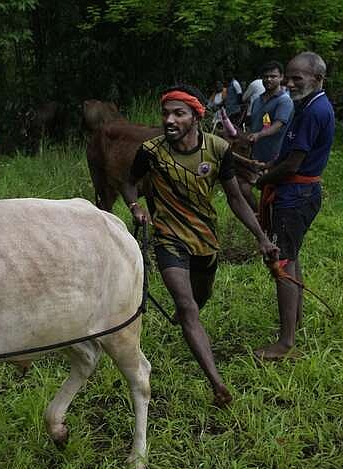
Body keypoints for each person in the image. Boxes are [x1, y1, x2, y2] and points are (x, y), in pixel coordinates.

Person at [122, 85, 277, 405]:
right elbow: (128, 183)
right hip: (169, 238)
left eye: (179, 113)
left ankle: (189, 314)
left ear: (196, 116)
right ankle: (217, 383)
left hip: (206, 238)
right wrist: (136, 207)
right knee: (188, 306)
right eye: (166, 113)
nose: (170, 119)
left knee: (201, 295)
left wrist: (261, 238)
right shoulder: (150, 151)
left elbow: (235, 198)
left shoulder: (218, 149)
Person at [253, 52, 335, 361]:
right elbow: (288, 156)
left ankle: (285, 342)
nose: (290, 83)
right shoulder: (306, 105)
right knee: (293, 257)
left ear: (318, 79)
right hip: (297, 192)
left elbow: (293, 164)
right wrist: (270, 167)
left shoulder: (315, 110)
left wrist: (263, 180)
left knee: (282, 264)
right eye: (288, 77)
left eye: (296, 78)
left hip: (295, 195)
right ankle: (294, 321)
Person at [238, 61, 294, 210]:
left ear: (281, 77)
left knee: (270, 192)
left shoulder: (285, 101)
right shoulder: (257, 100)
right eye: (266, 76)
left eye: (273, 76)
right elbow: (258, 123)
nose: (268, 79)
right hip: (255, 154)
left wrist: (259, 135)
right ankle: (258, 216)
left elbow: (278, 125)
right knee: (243, 188)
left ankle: (268, 222)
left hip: (274, 155)